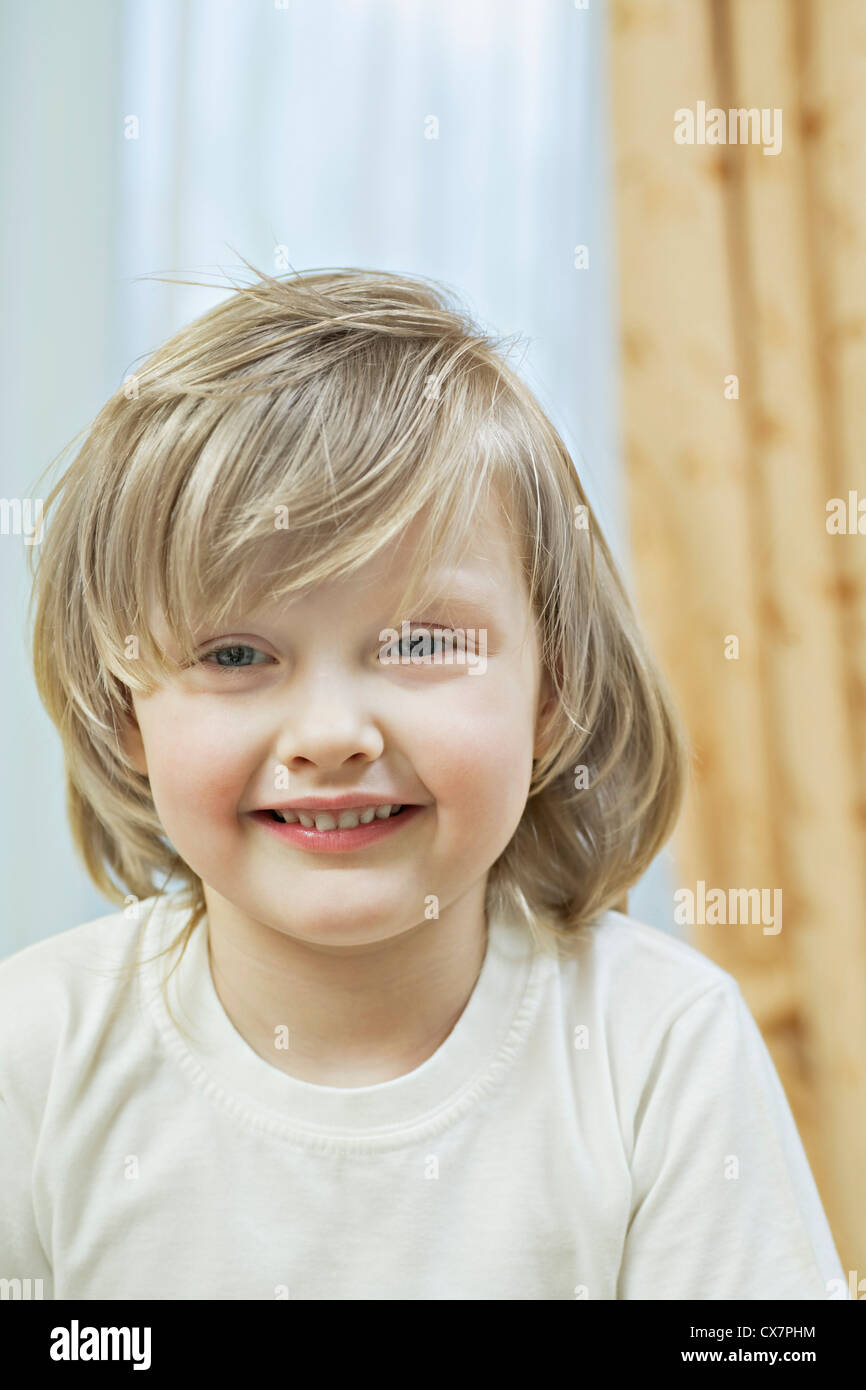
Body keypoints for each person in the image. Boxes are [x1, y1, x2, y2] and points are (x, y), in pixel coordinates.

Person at [1, 266, 849, 1299]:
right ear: (121, 709)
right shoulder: (33, 1050)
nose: (328, 735)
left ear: (552, 694)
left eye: (419, 639)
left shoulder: (659, 1046)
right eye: (232, 654)